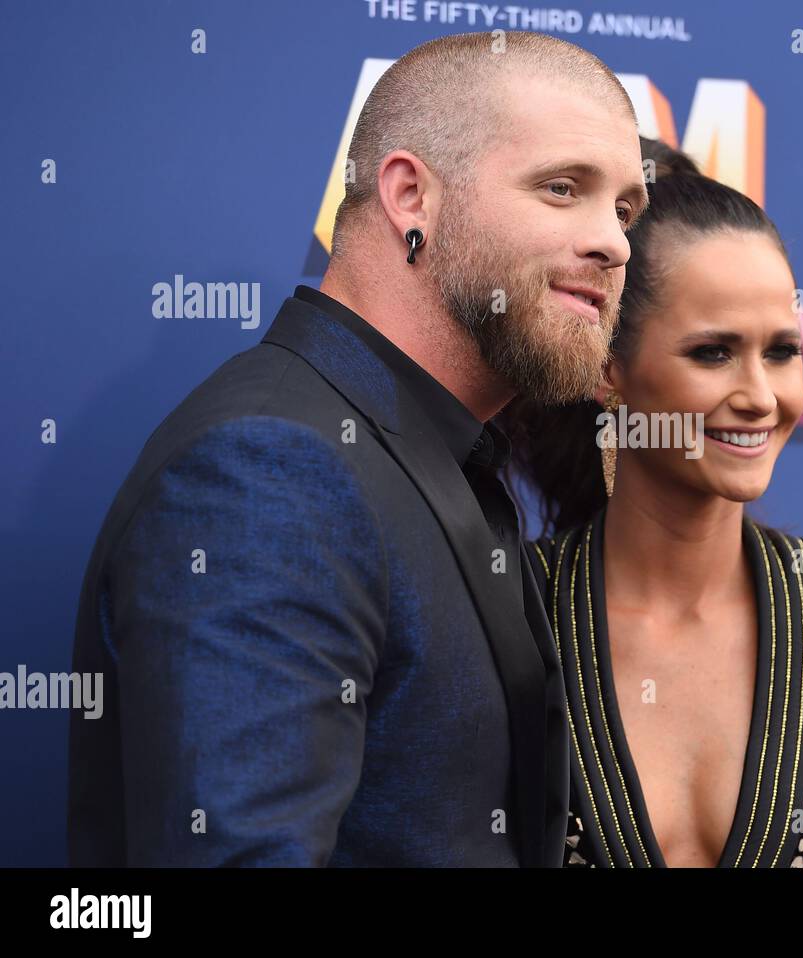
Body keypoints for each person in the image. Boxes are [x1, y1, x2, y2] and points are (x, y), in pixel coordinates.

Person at [67, 31, 648, 866]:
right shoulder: (271, 471)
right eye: (562, 189)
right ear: (411, 195)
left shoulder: (438, 455)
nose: (614, 242)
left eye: (625, 208)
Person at [505, 139, 803, 868]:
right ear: (608, 369)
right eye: (712, 352)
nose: (760, 397)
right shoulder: (509, 614)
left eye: (781, 351)